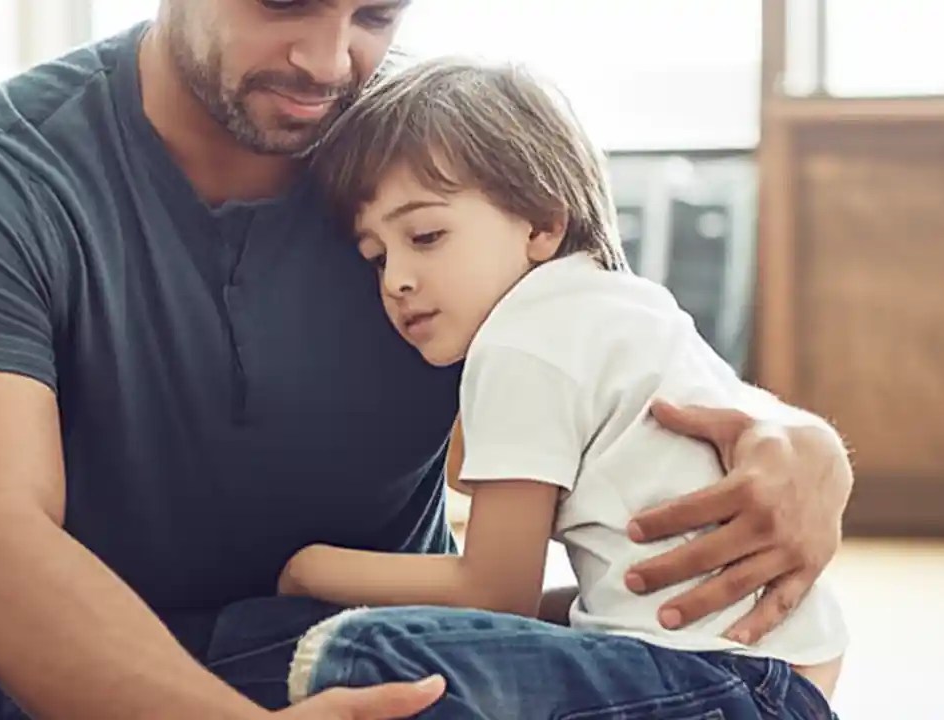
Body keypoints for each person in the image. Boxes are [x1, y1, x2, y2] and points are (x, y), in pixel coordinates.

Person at [0, 3, 853, 719]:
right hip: (62, 667)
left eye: (374, 13)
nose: (325, 58)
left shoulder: (428, 165)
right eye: (285, 2)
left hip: (355, 667)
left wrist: (794, 441)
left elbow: (608, 338)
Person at [277, 59, 846, 719]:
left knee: (358, 653)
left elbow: (495, 592)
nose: (397, 278)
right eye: (376, 257)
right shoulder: (621, 301)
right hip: (785, 674)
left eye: (426, 236)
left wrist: (306, 568)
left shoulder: (520, 341)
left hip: (718, 680)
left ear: (542, 224)